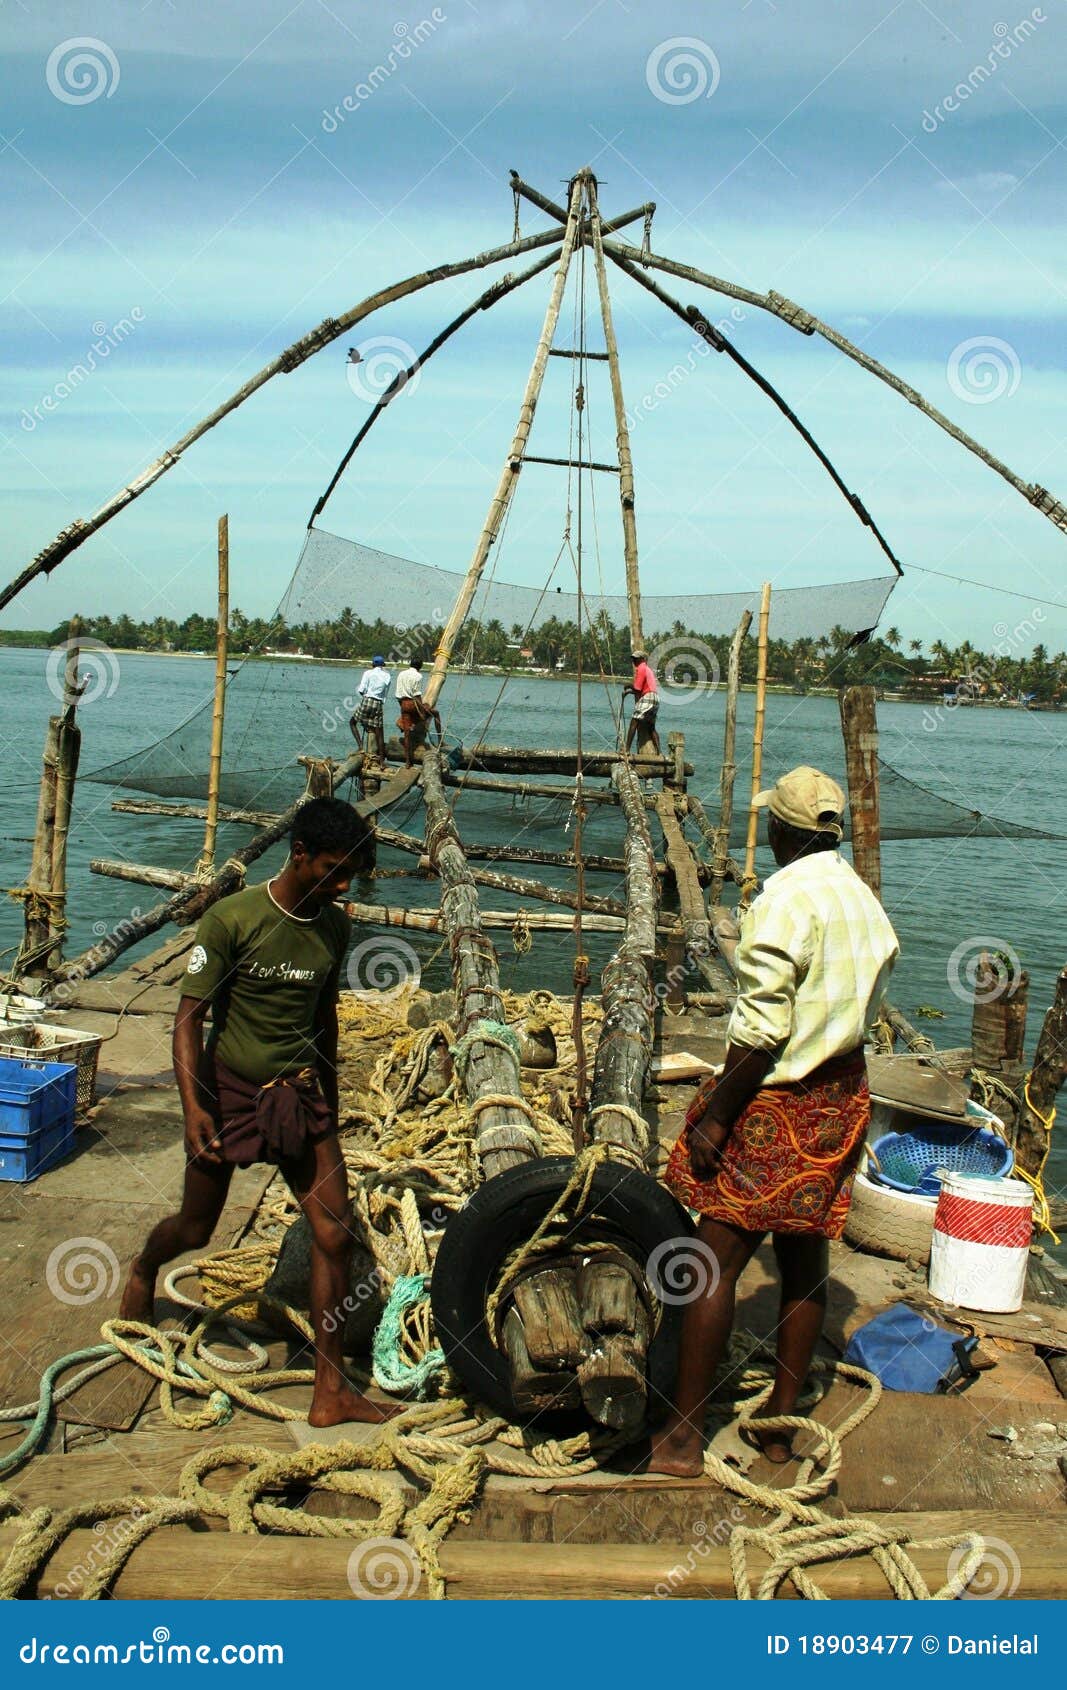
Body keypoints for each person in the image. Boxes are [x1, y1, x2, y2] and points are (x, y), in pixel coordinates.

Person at [119, 797, 401, 1428]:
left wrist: (329, 1104)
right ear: (298, 855)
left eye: (352, 873)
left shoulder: (334, 926)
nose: (343, 884)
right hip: (229, 1094)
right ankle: (143, 1266)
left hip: (300, 1094)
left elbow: (323, 1021)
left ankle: (330, 1391)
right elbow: (189, 1020)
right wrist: (194, 1106)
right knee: (195, 1229)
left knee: (335, 1233)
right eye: (332, 870)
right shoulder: (230, 920)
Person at [647, 766, 899, 1475]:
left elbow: (760, 1032)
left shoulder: (784, 900)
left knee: (710, 1262)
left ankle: (681, 1438)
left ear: (780, 831)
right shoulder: (860, 898)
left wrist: (714, 1117)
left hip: (776, 1101)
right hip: (839, 1095)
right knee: (803, 1256)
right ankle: (779, 1426)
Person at [395, 656, 443, 768]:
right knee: (435, 714)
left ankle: (408, 762)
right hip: (412, 704)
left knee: (407, 734)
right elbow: (417, 696)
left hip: (403, 704)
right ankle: (440, 740)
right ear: (420, 667)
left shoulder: (401, 674)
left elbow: (398, 694)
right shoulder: (418, 676)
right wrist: (421, 712)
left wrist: (403, 707)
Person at [350, 655, 391, 765]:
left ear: (373, 664)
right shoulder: (387, 676)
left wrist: (365, 695)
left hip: (367, 700)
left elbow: (361, 690)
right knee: (379, 733)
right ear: (382, 665)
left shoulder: (368, 673)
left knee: (353, 722)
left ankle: (360, 747)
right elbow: (385, 693)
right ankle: (382, 760)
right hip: (378, 703)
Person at [623, 650, 661, 756]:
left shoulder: (641, 668)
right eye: (633, 658)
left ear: (642, 659)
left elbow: (638, 689)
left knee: (634, 722)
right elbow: (641, 689)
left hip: (648, 696)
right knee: (651, 727)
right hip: (655, 698)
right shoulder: (648, 669)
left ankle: (626, 750)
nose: (634, 660)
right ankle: (659, 753)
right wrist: (629, 692)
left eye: (636, 658)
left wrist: (628, 686)